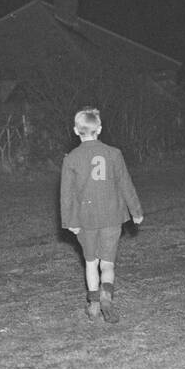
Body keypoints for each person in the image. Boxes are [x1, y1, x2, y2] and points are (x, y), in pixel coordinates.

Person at [60, 108, 144, 323]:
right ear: (99, 129)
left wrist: (70, 222)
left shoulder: (71, 158)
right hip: (112, 217)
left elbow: (66, 194)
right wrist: (136, 212)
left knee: (91, 263)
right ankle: (107, 297)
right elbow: (125, 183)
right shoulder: (114, 153)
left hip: (85, 220)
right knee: (107, 264)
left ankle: (94, 304)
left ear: (76, 131)